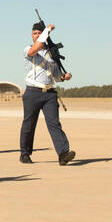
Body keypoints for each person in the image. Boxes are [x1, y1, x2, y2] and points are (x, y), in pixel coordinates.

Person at [20, 21, 75, 165]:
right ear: (32, 35)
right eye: (35, 33)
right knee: (29, 124)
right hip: (32, 91)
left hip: (49, 93)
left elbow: (56, 75)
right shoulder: (28, 50)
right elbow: (35, 49)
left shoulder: (52, 53)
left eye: (39, 33)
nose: (37, 35)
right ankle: (25, 153)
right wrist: (47, 31)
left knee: (54, 123)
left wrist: (64, 77)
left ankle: (63, 153)